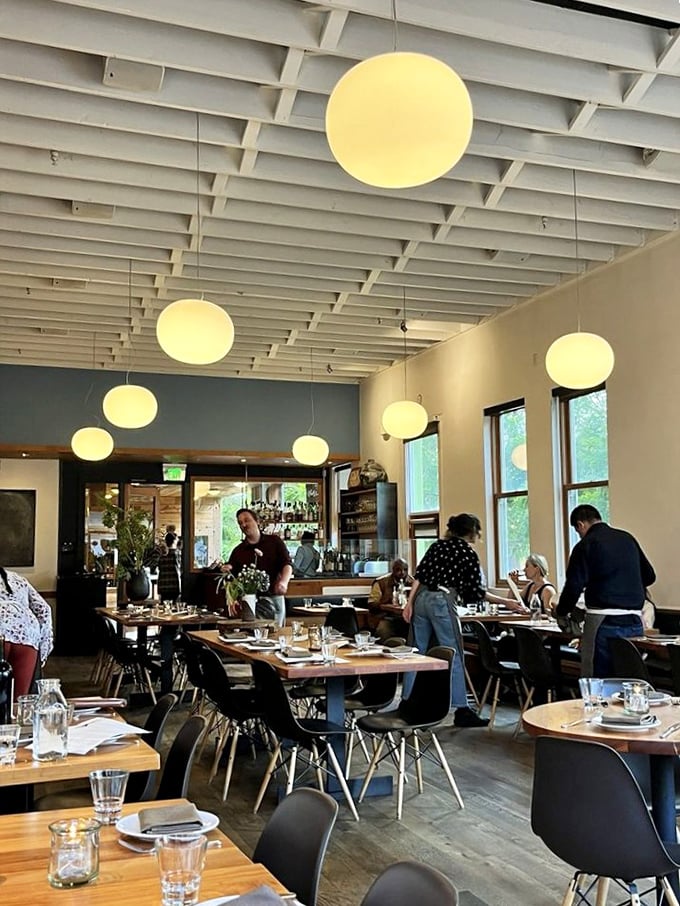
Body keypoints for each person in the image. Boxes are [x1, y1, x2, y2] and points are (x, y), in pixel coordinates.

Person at [403, 513, 489, 728]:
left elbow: (420, 576)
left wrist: (409, 604)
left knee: (415, 652)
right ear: (471, 532)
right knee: (454, 652)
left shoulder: (437, 546)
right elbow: (476, 592)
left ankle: (407, 701)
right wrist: (507, 603)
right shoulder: (467, 553)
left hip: (421, 599)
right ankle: (462, 709)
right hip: (442, 600)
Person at [556, 504, 655, 677]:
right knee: (628, 678)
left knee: (597, 679)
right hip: (634, 621)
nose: (579, 535)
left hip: (602, 621)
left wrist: (561, 612)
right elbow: (649, 576)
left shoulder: (585, 545)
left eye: (577, 531)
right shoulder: (627, 539)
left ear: (580, 525)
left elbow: (573, 587)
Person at [225, 508, 292, 627]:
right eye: (240, 523)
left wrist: (284, 582)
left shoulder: (274, 542)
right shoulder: (238, 551)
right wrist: (232, 598)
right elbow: (232, 579)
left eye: (247, 520)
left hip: (274, 598)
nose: (244, 525)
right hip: (248, 601)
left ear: (257, 521)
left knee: (276, 633)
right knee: (251, 634)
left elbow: (287, 564)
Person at [0, 567, 53, 697]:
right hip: (27, 633)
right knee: (20, 698)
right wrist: (42, 649)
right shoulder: (16, 577)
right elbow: (45, 610)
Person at [368, 558, 413, 641]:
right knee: (383, 631)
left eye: (405, 570)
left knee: (418, 629)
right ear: (393, 570)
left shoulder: (412, 582)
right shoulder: (381, 582)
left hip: (407, 618)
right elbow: (371, 604)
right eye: (398, 570)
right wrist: (385, 606)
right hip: (386, 617)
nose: (402, 572)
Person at [157, 532, 182, 605]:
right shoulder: (177, 553)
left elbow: (156, 566)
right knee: (174, 606)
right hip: (174, 585)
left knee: (163, 606)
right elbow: (181, 567)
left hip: (163, 585)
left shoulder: (161, 554)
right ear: (174, 541)